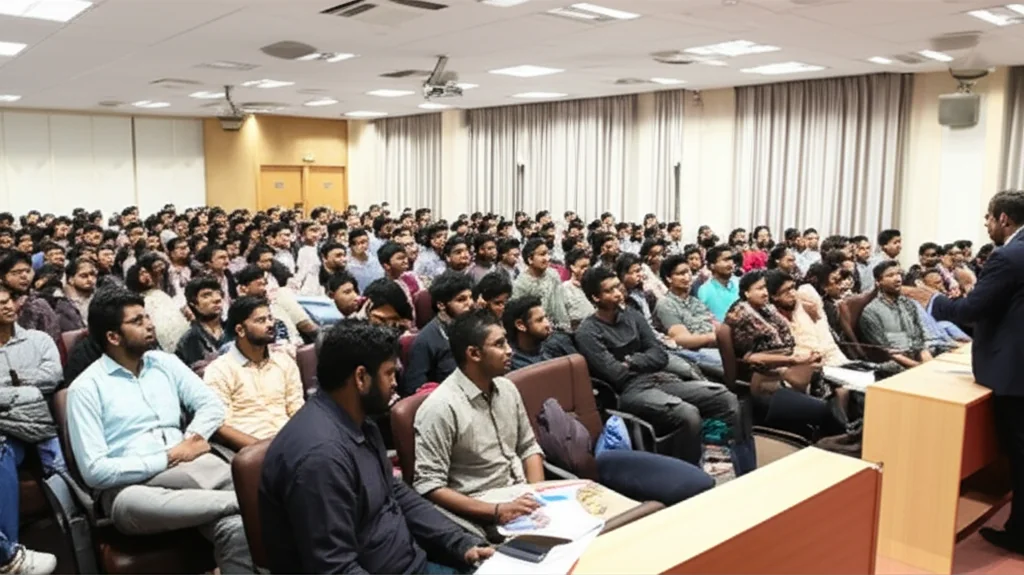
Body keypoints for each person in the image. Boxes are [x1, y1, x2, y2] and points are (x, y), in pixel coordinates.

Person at [260, 320, 492, 573]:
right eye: (390, 373)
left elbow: (397, 494)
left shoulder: (361, 422)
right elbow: (334, 568)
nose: (396, 382)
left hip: (414, 562)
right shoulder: (321, 458)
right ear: (361, 377)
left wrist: (460, 543)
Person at [66, 288, 254, 573]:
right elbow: (95, 470)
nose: (150, 324)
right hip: (134, 488)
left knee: (237, 529)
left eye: (147, 316)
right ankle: (245, 502)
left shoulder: (165, 363)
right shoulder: (85, 389)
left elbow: (211, 407)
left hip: (192, 469)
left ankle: (235, 505)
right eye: (137, 321)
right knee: (130, 504)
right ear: (113, 337)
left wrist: (192, 439)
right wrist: (169, 456)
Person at [924, 190, 1024, 554]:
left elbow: (973, 310)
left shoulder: (1008, 256)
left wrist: (932, 301)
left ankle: (1019, 534)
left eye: (988, 216)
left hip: (1014, 372)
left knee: (1020, 452)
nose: (985, 223)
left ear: (1003, 219)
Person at [575, 266, 739, 467]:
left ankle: (721, 457)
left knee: (725, 398)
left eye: (617, 287)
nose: (618, 294)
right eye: (609, 291)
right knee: (688, 414)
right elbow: (615, 374)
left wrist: (632, 360)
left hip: (661, 378)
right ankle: (688, 471)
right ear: (595, 297)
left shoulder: (632, 315)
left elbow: (660, 355)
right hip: (631, 391)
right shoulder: (588, 331)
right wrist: (644, 359)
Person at [413, 310, 545, 539]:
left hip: (524, 500)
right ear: (474, 353)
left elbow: (528, 447)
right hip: (481, 512)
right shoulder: (441, 407)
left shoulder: (507, 389)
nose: (509, 350)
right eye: (499, 344)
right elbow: (429, 486)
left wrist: (538, 494)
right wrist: (497, 511)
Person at [723, 271, 847, 439]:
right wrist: (792, 359)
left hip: (790, 370)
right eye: (759, 289)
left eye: (765, 287)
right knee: (826, 410)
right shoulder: (742, 315)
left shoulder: (766, 310)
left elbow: (788, 342)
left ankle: (838, 440)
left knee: (840, 395)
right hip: (766, 380)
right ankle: (841, 441)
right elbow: (750, 358)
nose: (765, 292)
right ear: (746, 293)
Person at [0, 284, 65, 575]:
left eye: (8, 300)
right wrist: (25, 390)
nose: (6, 306)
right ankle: (10, 554)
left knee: (58, 463)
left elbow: (52, 377)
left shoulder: (38, 340)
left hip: (40, 424)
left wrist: (10, 390)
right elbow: (36, 385)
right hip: (6, 430)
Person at [203, 296, 304, 451]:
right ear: (240, 330)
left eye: (270, 318)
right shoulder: (220, 370)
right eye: (261, 321)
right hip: (251, 450)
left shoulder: (284, 362)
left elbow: (297, 409)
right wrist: (265, 450)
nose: (270, 324)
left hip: (291, 443)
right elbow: (221, 426)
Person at [402, 271, 475, 396]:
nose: (470, 303)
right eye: (461, 300)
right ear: (441, 305)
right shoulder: (425, 341)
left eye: (470, 297)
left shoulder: (473, 325)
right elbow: (415, 390)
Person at [859, 261, 932, 369]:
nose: (898, 279)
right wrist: (919, 367)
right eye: (890, 275)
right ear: (878, 282)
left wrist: (930, 364)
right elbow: (887, 352)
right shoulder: (871, 312)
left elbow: (920, 340)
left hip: (918, 360)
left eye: (898, 274)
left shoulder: (908, 303)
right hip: (895, 366)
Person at [503, 296, 577, 370]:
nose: (547, 324)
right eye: (540, 320)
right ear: (520, 325)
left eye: (546, 317)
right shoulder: (510, 361)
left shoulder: (558, 341)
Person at [511, 238, 570, 331]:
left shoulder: (553, 274)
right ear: (530, 259)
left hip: (559, 328)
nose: (547, 258)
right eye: (542, 254)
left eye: (547, 254)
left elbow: (561, 304)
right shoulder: (521, 284)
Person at [175, 275, 228, 370]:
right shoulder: (189, 341)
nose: (217, 299)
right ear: (194, 304)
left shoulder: (233, 330)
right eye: (206, 295)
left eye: (218, 293)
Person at [697, 245, 739, 321]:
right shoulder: (705, 290)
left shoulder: (739, 283)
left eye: (731, 260)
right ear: (712, 265)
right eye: (726, 260)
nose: (731, 264)